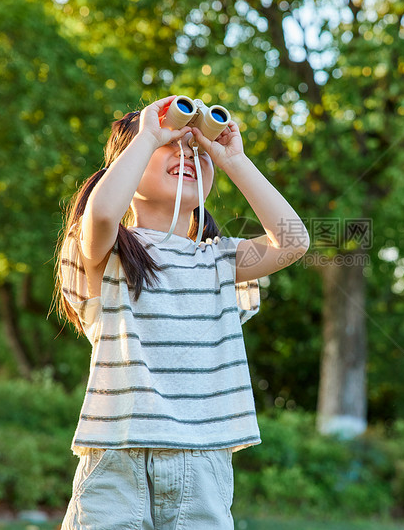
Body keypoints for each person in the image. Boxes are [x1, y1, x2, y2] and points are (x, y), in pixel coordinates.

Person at [54, 95, 310, 529]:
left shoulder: (218, 262)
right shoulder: (110, 251)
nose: (185, 154)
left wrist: (232, 159)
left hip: (204, 459)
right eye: (167, 146)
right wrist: (150, 132)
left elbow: (293, 242)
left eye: (196, 152)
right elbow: (102, 214)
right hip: (119, 455)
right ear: (127, 168)